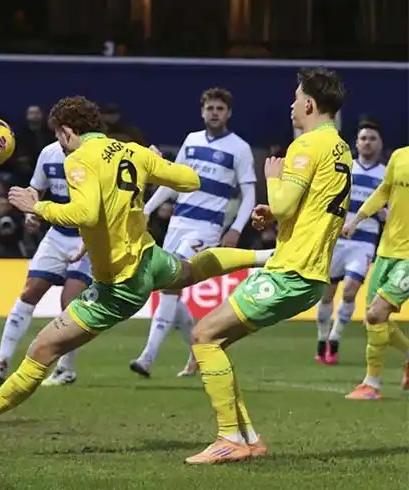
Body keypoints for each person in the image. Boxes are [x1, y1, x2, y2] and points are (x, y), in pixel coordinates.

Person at [0, 96, 272, 441]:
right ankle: (266, 257)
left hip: (119, 285)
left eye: (59, 137)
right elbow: (189, 181)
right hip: (148, 258)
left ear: (66, 132)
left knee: (43, 349)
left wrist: (39, 206)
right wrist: (154, 161)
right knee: (189, 270)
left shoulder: (79, 159)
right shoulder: (131, 150)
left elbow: (86, 212)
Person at [185, 67, 350, 464]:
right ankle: (249, 439)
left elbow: (284, 203)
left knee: (203, 335)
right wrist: (272, 216)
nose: (291, 105)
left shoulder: (306, 146)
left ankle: (228, 437)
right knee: (215, 342)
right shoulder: (340, 147)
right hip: (309, 271)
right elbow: (304, 208)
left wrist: (271, 179)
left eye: (296, 98)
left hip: (291, 271)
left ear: (309, 104)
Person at [132, 87, 256, 378]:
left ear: (229, 113)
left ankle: (147, 358)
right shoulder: (191, 140)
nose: (215, 113)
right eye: (210, 108)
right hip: (178, 223)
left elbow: (249, 194)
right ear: (202, 111)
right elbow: (172, 181)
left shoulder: (239, 148)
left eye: (220, 109)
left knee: (169, 284)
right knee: (169, 288)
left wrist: (236, 228)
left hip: (207, 228)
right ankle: (198, 348)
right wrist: (147, 210)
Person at [0, 142, 92, 388]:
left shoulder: (94, 154)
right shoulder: (48, 153)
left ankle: (65, 369)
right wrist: (30, 212)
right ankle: (1, 364)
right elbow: (35, 189)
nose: (62, 136)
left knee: (70, 302)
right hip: (57, 234)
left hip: (87, 235)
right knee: (29, 292)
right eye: (59, 130)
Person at [315, 121, 386, 364]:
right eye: (363, 138)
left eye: (372, 138)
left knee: (349, 291)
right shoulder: (345, 168)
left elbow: (393, 208)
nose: (367, 142)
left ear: (380, 144)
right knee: (327, 294)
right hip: (337, 239)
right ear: (356, 143)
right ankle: (321, 338)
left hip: (364, 241)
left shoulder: (386, 174)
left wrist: (385, 213)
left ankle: (335, 338)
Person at [342, 146, 409, 400]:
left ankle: (371, 384)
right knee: (373, 319)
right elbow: (384, 191)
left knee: (376, 312)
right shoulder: (400, 156)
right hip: (386, 250)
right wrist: (356, 220)